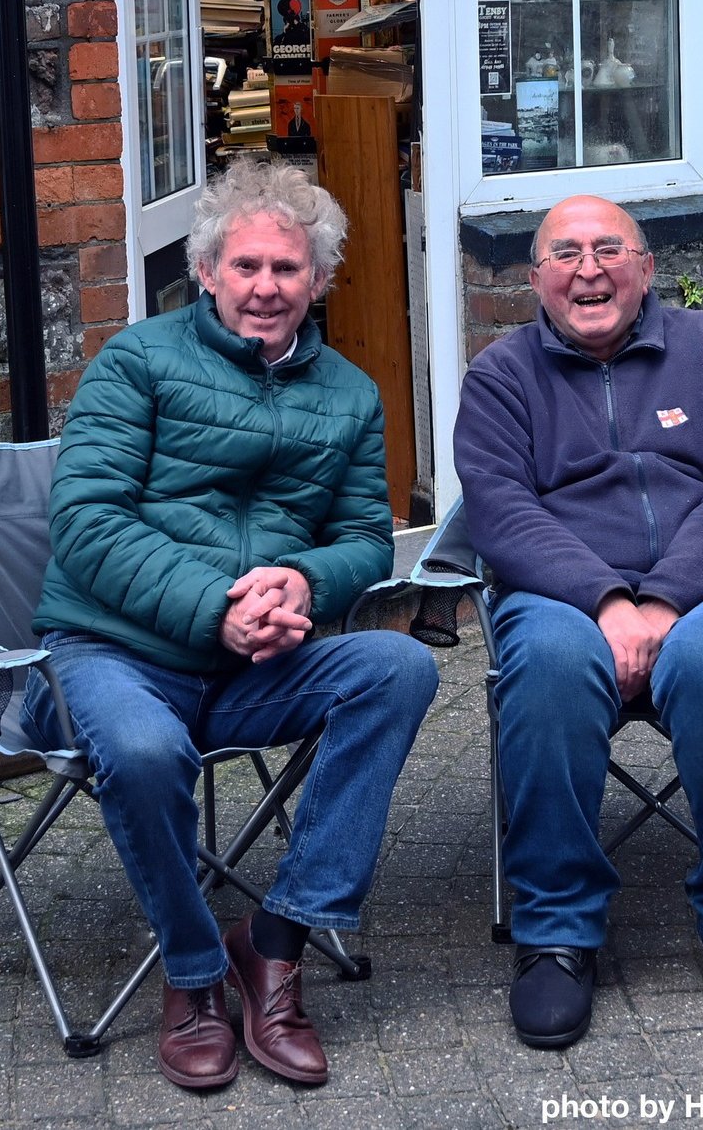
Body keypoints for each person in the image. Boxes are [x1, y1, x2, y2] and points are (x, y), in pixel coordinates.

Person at [30, 159, 439, 1094]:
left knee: (398, 669)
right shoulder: (135, 361)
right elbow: (87, 525)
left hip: (259, 667)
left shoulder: (349, 394)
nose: (265, 287)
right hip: (117, 654)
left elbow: (366, 541)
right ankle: (192, 973)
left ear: (320, 282)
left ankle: (277, 942)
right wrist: (221, 605)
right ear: (206, 270)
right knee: (138, 751)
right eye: (245, 266)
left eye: (287, 270)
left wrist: (300, 581)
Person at [452, 194, 703, 1050]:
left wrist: (664, 600)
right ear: (535, 278)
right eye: (566, 253)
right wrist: (607, 601)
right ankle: (556, 931)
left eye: (610, 248)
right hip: (561, 598)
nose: (589, 268)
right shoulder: (501, 376)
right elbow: (501, 513)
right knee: (542, 667)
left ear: (646, 268)